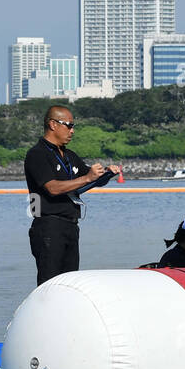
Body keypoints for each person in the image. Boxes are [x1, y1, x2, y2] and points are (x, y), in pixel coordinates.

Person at [24, 105, 121, 286]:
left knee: (69, 283)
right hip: (48, 225)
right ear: (53, 124)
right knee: (50, 284)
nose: (72, 131)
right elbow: (52, 188)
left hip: (70, 226)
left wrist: (106, 174)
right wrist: (87, 177)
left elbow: (89, 181)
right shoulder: (37, 154)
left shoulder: (69, 155)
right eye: (68, 125)